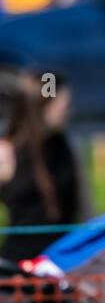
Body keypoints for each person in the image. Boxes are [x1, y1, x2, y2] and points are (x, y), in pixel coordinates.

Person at [0, 69, 82, 263]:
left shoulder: (65, 148)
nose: (69, 111)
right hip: (17, 268)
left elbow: (81, 207)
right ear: (43, 106)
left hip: (60, 261)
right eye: (65, 105)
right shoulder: (6, 153)